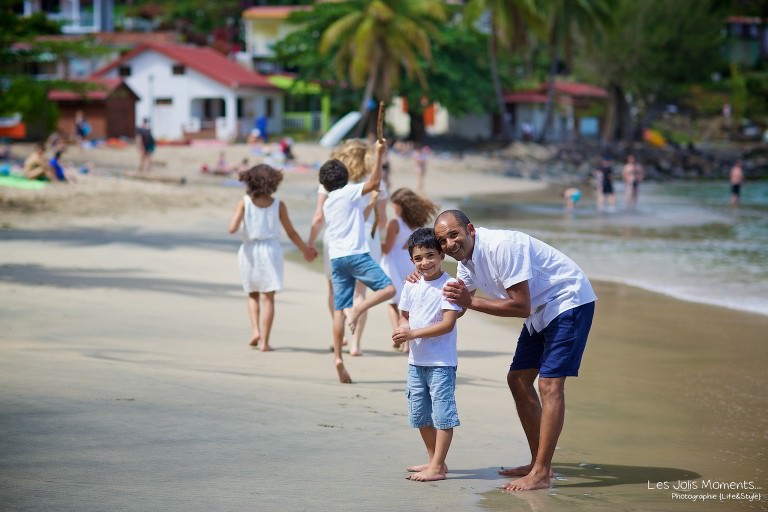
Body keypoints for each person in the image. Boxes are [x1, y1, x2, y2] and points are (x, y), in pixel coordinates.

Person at [431, 210, 596, 491]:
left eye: (453, 235)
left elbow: (520, 306)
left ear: (470, 229)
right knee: (518, 379)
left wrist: (468, 302)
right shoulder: (465, 263)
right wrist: (424, 282)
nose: (449, 244)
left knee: (550, 384)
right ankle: (537, 463)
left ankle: (542, 473)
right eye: (442, 241)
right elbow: (458, 304)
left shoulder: (501, 247)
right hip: (540, 311)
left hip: (568, 300)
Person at [313, 139, 395, 383]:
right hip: (357, 255)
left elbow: (361, 215)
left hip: (337, 258)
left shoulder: (329, 203)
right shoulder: (349, 191)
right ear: (345, 177)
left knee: (340, 309)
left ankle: (338, 356)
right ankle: (358, 309)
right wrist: (379, 154)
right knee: (389, 289)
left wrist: (370, 204)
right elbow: (375, 182)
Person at [392, 227, 463, 482]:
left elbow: (448, 324)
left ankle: (437, 465)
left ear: (441, 254)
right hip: (416, 361)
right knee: (419, 412)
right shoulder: (411, 284)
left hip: (441, 362)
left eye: (430, 255)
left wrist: (412, 334)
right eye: (418, 258)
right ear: (411, 261)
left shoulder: (450, 285)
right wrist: (403, 330)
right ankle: (436, 461)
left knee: (443, 415)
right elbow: (405, 315)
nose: (425, 263)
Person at [227, 164, 317, 351]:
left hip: (249, 250)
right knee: (268, 297)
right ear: (273, 183)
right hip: (270, 250)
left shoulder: (244, 202)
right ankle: (265, 342)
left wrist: (240, 222)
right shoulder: (278, 205)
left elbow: (232, 228)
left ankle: (255, 331)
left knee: (252, 293)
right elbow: (291, 232)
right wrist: (305, 250)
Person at [381, 188, 439, 350]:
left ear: (401, 206)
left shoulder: (394, 223)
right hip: (409, 264)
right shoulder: (417, 224)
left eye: (394, 206)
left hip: (392, 264)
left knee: (393, 303)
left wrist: (372, 244)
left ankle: (399, 335)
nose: (393, 209)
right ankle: (407, 342)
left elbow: (387, 248)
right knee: (407, 304)